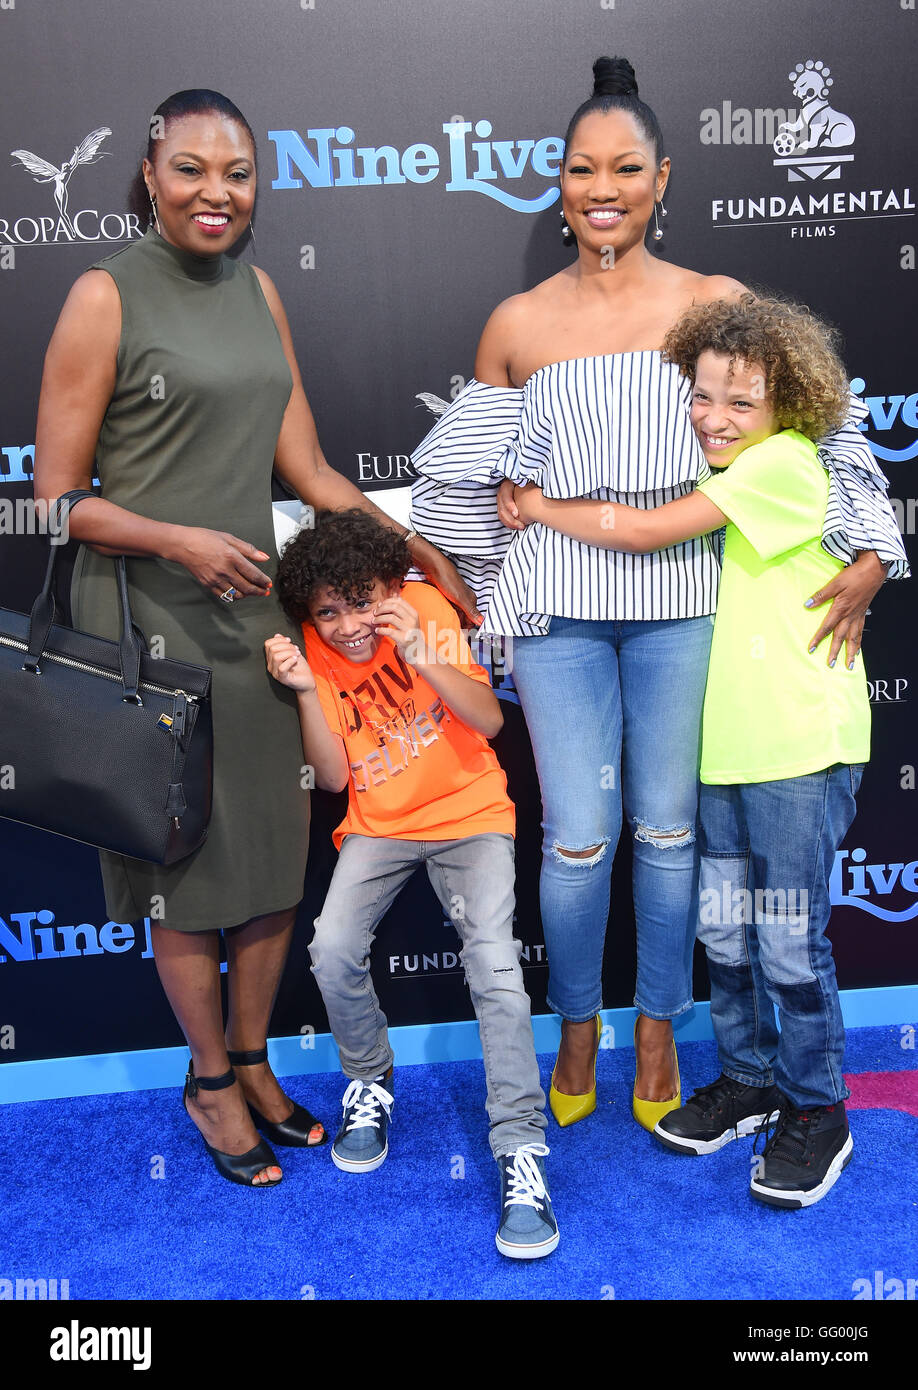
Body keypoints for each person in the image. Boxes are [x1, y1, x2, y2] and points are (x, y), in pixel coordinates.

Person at [410, 56, 907, 1134]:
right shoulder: (516, 323)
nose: (605, 188)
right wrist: (475, 585)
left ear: (663, 178)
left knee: (673, 832)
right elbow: (460, 484)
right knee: (580, 834)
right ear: (558, 182)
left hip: (687, 595)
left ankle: (658, 1026)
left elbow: (830, 437)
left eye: (627, 168)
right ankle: (579, 1024)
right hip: (562, 608)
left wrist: (870, 554)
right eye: (584, 169)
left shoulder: (718, 305)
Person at [32, 89, 478, 1189]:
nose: (215, 191)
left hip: (258, 623)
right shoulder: (103, 296)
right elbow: (52, 498)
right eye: (190, 169)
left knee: (273, 865)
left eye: (236, 171)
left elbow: (312, 473)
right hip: (147, 623)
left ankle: (252, 1057)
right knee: (182, 868)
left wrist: (412, 548)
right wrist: (176, 539)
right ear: (149, 173)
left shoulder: (261, 289)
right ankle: (207, 1080)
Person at [508, 292, 887, 1206]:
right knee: (726, 932)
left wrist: (534, 503)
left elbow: (639, 531)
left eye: (740, 403)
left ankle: (815, 1112)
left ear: (786, 406)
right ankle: (752, 1080)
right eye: (703, 398)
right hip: (727, 751)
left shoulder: (783, 465)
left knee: (789, 942)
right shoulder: (754, 461)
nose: (714, 419)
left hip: (796, 750)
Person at [265, 508, 558, 1257]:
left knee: (495, 965)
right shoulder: (316, 648)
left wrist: (419, 649)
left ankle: (520, 1149)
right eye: (326, 611)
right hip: (380, 822)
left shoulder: (426, 609)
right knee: (330, 947)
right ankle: (370, 1083)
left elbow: (490, 721)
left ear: (389, 586)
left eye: (359, 600)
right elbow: (331, 776)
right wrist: (304, 688)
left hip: (469, 810)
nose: (346, 624)